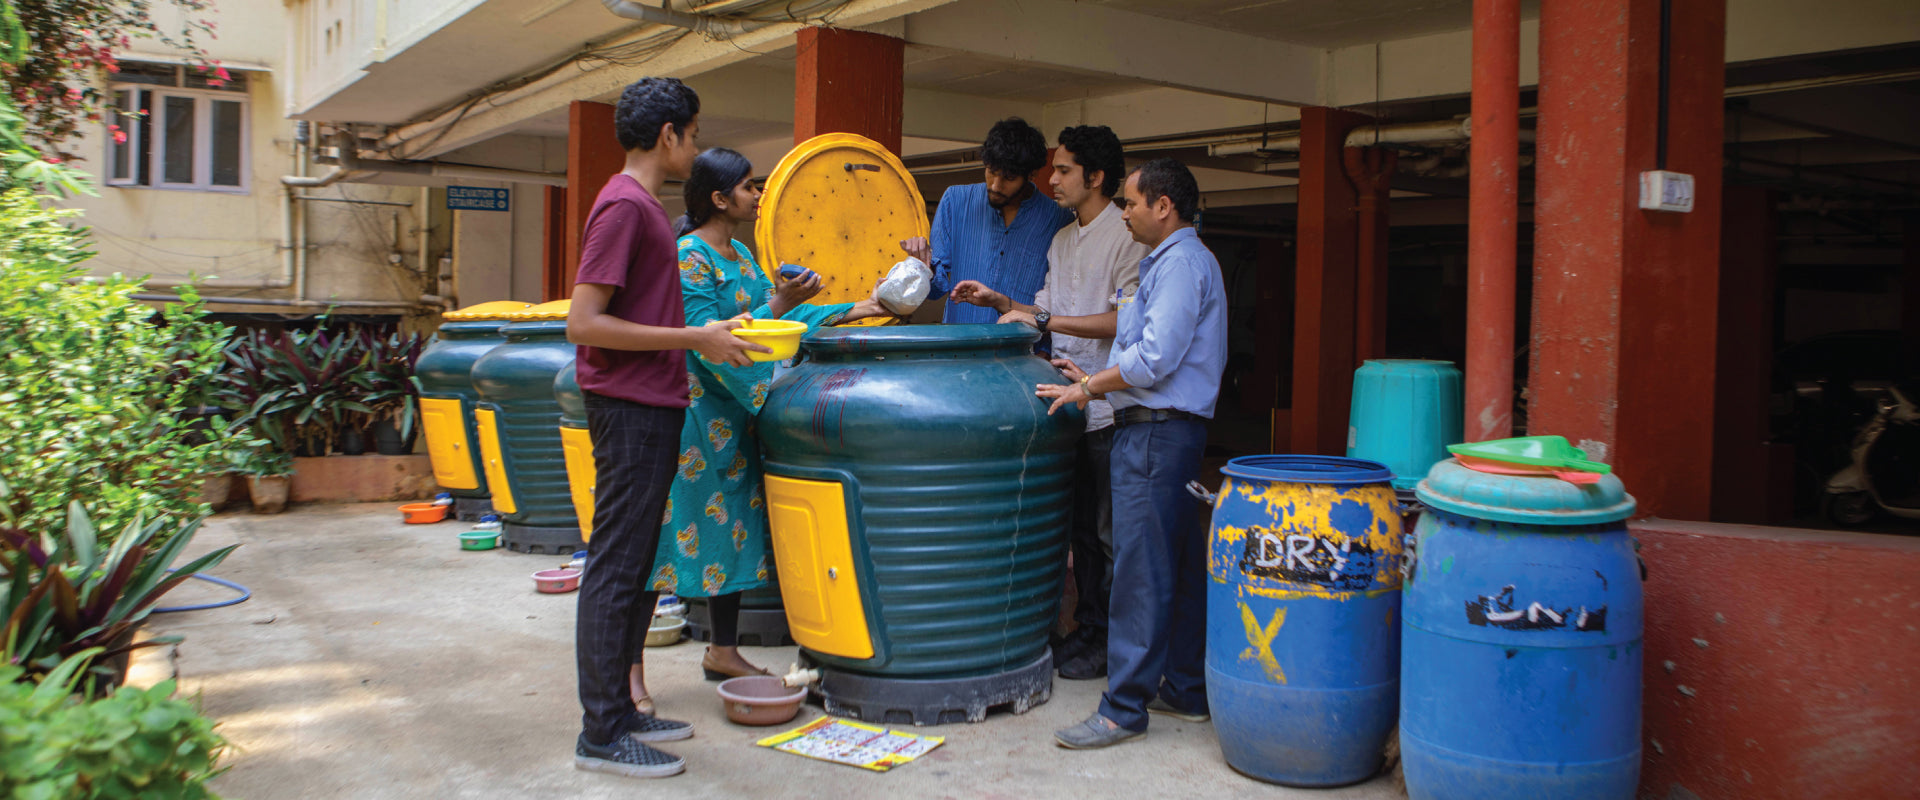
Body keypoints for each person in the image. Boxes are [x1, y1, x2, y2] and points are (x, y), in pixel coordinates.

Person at [628, 148, 892, 708]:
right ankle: (630, 669)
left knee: (733, 531)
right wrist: (768, 361)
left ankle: (721, 649)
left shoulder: (742, 254)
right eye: (750, 187)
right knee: (663, 544)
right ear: (720, 198)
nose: (759, 195)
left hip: (739, 419)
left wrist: (862, 306)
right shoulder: (690, 257)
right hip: (697, 418)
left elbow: (769, 321)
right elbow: (702, 335)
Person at [565, 77, 768, 780]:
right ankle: (602, 730)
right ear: (669, 135)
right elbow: (583, 321)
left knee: (627, 568)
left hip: (652, 403)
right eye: (695, 133)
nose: (697, 145)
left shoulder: (643, 208)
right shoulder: (625, 206)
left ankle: (621, 716)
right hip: (628, 406)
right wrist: (693, 338)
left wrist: (706, 333)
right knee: (616, 571)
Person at [1036, 158, 1227, 750]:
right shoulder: (1174, 262)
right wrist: (1089, 373)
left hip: (1155, 432)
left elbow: (1155, 359)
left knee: (1139, 573)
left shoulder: (1180, 265)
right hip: (1164, 428)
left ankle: (1122, 709)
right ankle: (1187, 690)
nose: (1124, 212)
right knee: (1177, 563)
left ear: (1163, 206)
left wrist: (1089, 386)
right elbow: (1145, 354)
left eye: (1132, 203)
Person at [951, 125, 1144, 681]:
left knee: (1111, 538)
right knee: (1080, 533)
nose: (1051, 179)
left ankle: (1114, 643)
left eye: (1062, 170)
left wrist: (1045, 319)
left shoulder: (1127, 239)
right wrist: (997, 301)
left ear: (1096, 177)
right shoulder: (1063, 239)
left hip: (1111, 406)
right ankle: (1086, 632)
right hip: (1067, 406)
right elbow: (1038, 309)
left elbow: (1121, 322)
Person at [899, 117, 1073, 324]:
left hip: (1023, 350)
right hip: (960, 347)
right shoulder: (955, 201)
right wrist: (922, 266)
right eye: (991, 172)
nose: (996, 186)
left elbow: (1059, 300)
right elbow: (935, 290)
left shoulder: (1058, 218)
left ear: (1032, 174)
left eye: (1008, 178)